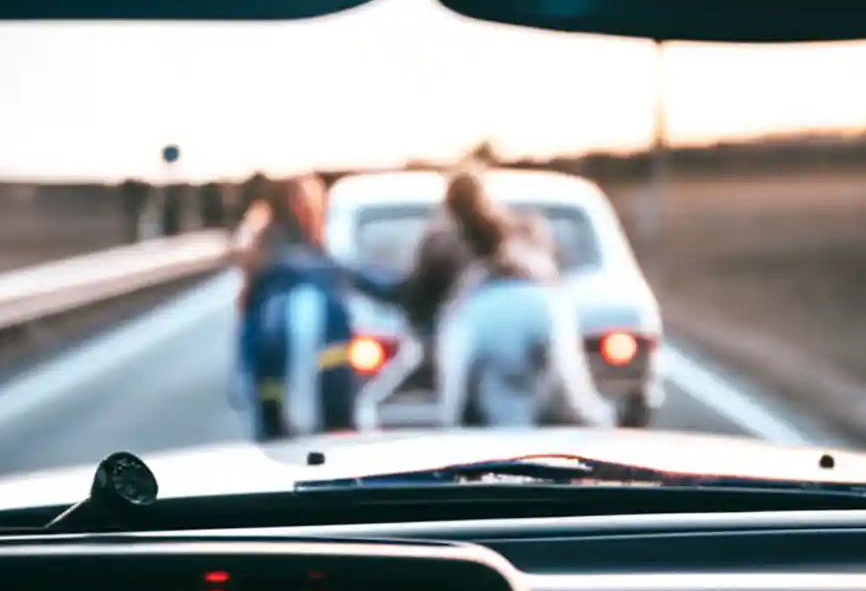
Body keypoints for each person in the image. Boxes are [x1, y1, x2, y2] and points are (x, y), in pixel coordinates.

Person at [366, 168, 614, 428]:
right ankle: (607, 438)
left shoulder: (439, 240)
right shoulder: (526, 226)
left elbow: (416, 301)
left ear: (447, 203)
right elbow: (554, 272)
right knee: (571, 400)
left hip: (477, 311)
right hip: (541, 302)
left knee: (459, 415)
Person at [235, 174, 397, 439]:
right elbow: (383, 287)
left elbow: (247, 352)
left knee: (273, 430)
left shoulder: (261, 265)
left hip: (272, 396)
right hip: (326, 399)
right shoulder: (320, 269)